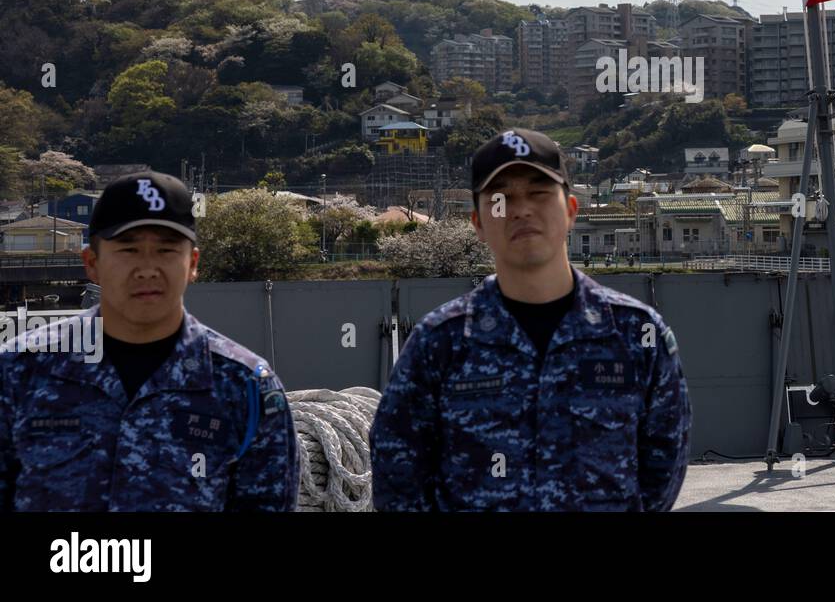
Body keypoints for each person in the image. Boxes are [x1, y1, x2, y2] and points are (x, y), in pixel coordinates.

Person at [370, 128, 691, 511]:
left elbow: (662, 471)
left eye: (539, 192)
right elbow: (397, 473)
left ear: (571, 210)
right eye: (501, 198)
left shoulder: (636, 335)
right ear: (478, 223)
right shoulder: (439, 343)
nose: (521, 209)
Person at [0, 170, 299, 511]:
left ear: (193, 264)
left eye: (166, 250)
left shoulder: (245, 389)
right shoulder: (18, 373)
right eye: (128, 249)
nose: (147, 268)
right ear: (92, 263)